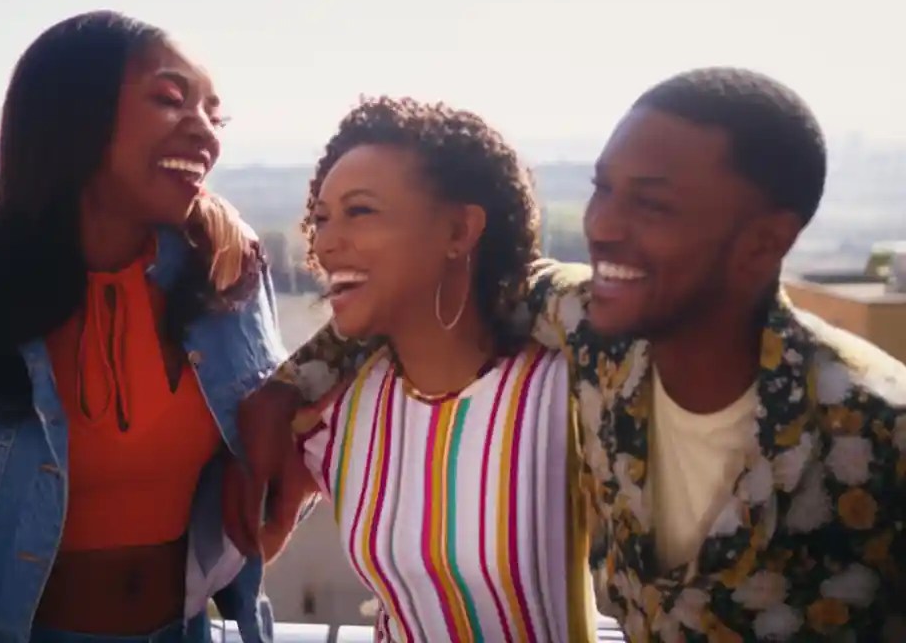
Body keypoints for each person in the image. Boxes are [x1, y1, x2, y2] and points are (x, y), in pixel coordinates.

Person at [235, 68, 906, 640]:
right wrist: (285, 387)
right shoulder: (345, 401)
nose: (604, 225)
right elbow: (493, 292)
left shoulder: (579, 379)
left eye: (652, 202)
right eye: (601, 189)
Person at [0, 10, 288, 643]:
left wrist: (281, 437)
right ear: (75, 113)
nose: (205, 133)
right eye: (170, 100)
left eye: (216, 115)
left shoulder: (225, 269)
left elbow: (287, 405)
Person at [261, 96, 597, 642]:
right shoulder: (335, 410)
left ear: (460, 231)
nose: (326, 242)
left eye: (360, 211)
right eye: (321, 218)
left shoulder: (563, 391)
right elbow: (244, 546)